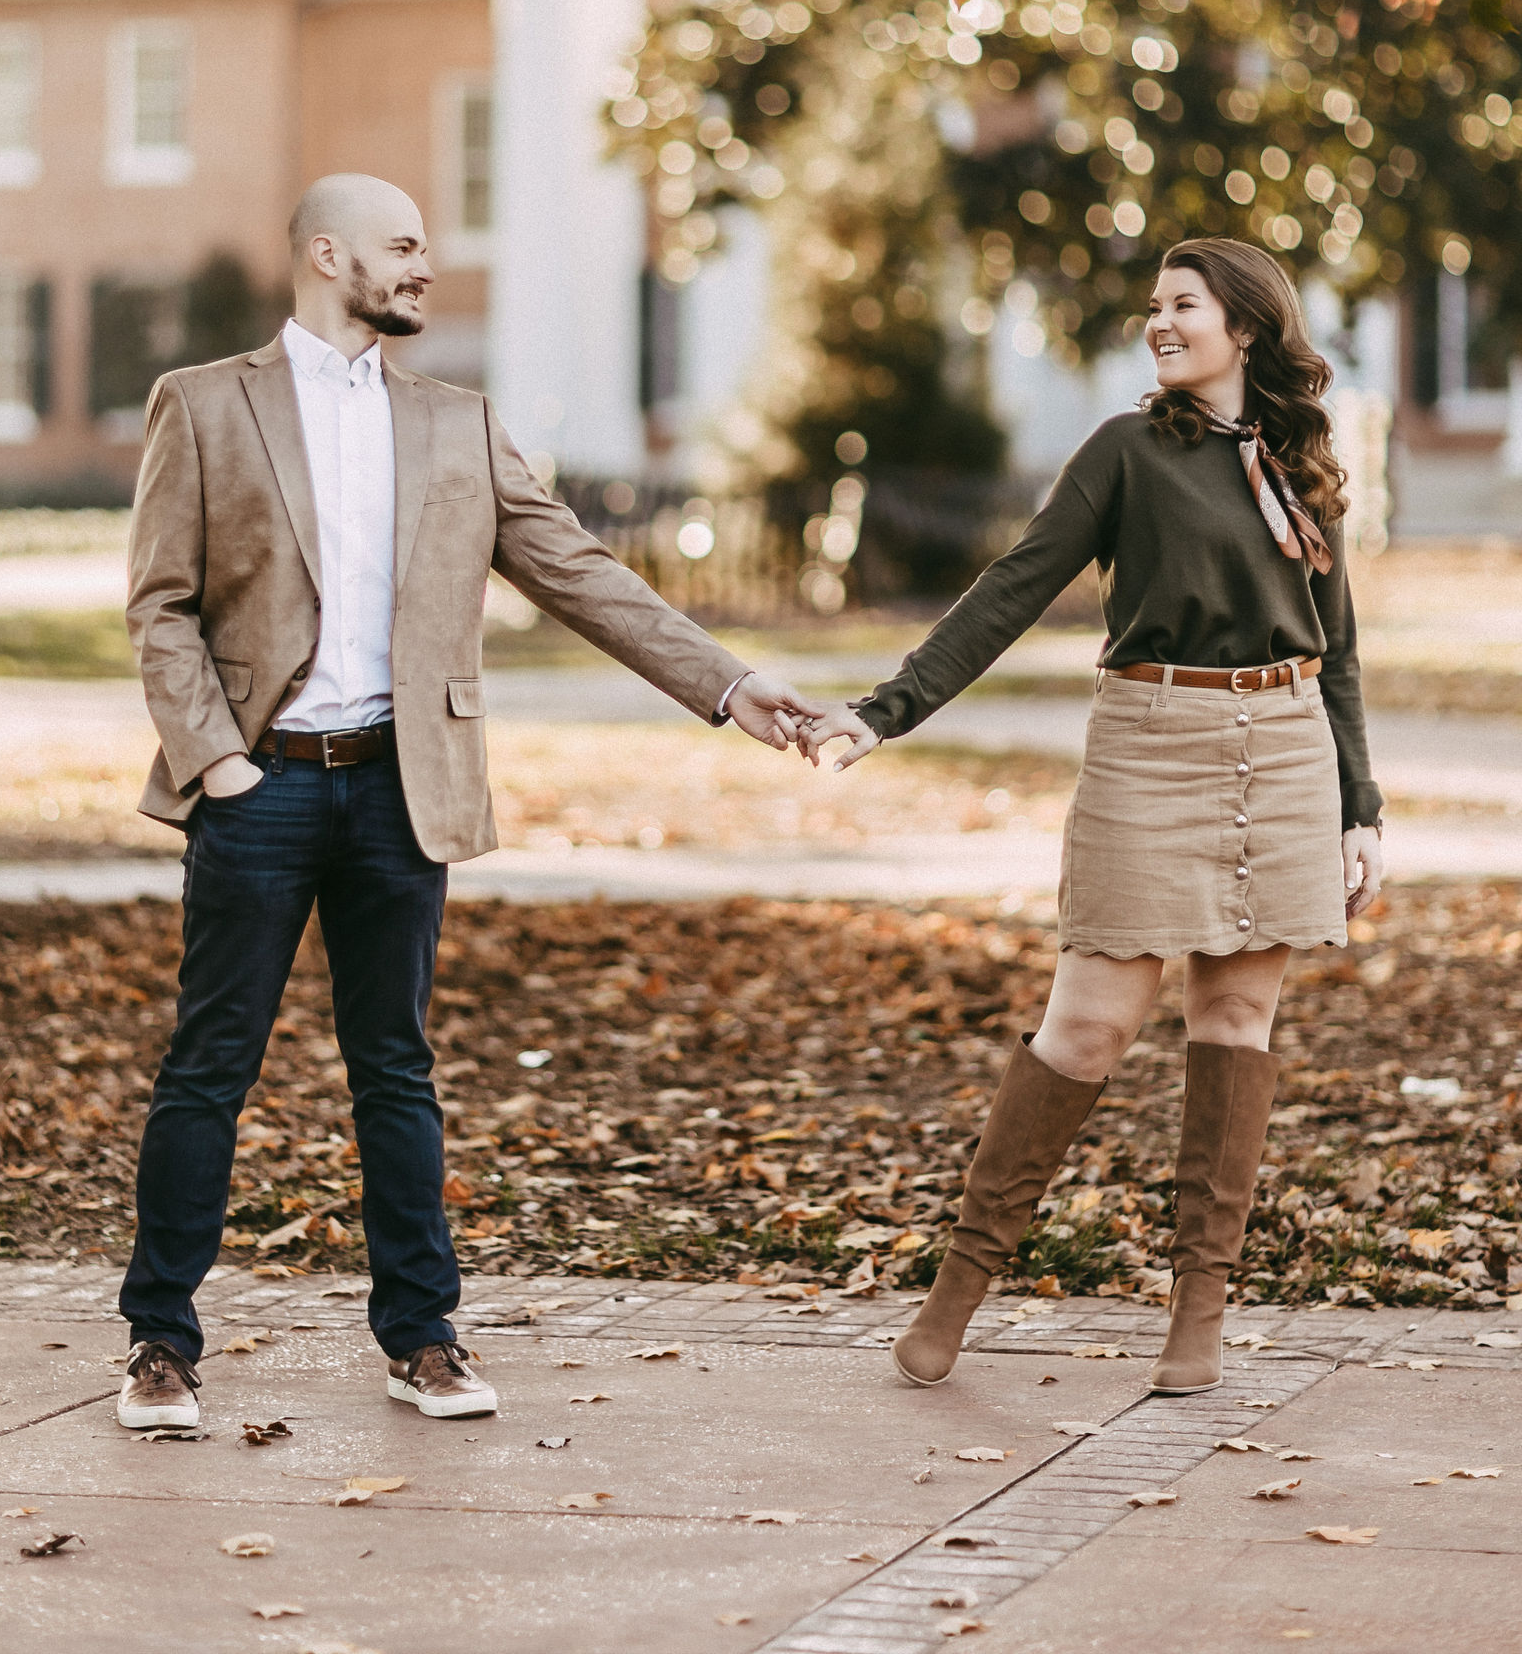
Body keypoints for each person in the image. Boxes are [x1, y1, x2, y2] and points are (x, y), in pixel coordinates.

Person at [115, 172, 816, 1433]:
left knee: (397, 1068)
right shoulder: (208, 406)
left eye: (424, 246)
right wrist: (217, 759)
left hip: (402, 792)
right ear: (327, 253)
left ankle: (423, 1338)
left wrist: (730, 686)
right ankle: (159, 1342)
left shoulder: (454, 422)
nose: (424, 266)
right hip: (259, 787)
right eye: (402, 246)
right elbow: (159, 602)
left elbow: (578, 571)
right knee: (209, 1067)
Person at [801, 237, 1385, 1395]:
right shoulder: (1125, 450)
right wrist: (886, 711)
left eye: (1184, 305)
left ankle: (1197, 1313)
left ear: (1247, 327)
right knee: (1087, 1029)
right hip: (1148, 745)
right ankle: (957, 1294)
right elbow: (1014, 586)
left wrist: (1358, 804)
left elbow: (1340, 653)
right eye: (1154, 306)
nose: (1160, 323)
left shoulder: (1295, 461)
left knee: (1236, 1022)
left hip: (1280, 752)